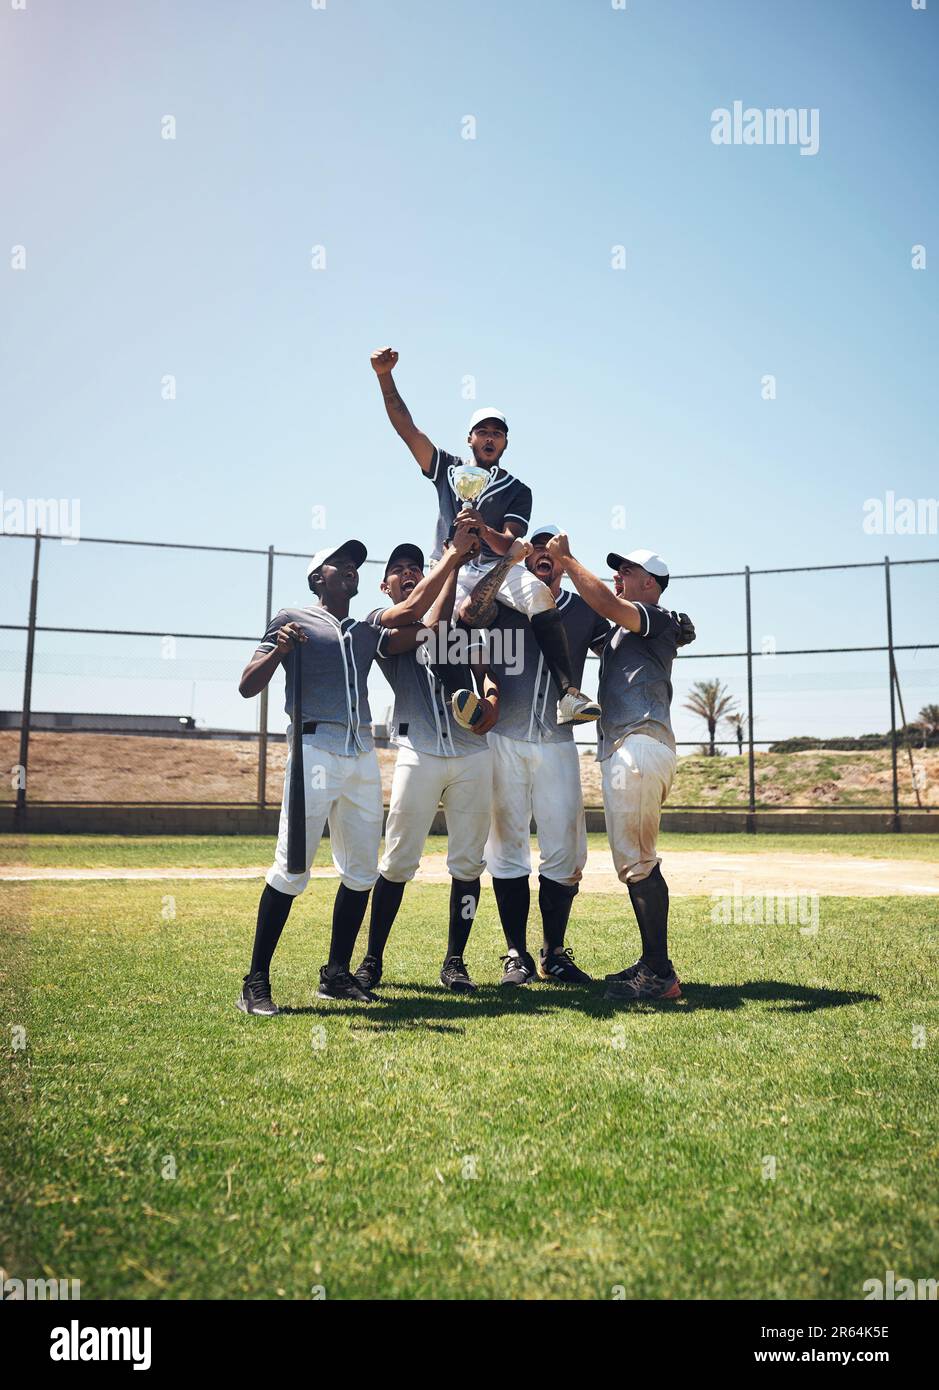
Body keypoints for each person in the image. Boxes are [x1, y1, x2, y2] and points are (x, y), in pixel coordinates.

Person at [236, 525, 478, 1015]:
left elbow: (414, 616)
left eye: (355, 562)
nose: (351, 566)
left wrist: (452, 559)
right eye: (339, 561)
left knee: (362, 871)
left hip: (362, 753)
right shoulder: (292, 618)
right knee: (293, 867)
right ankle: (255, 981)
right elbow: (246, 685)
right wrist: (281, 650)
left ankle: (337, 974)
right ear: (316, 578)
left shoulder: (367, 627)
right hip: (314, 750)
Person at [369, 346, 600, 726]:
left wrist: (481, 526)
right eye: (483, 432)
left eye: (497, 433)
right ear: (470, 438)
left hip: (497, 566)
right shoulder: (448, 468)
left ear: (505, 443)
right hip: (449, 561)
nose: (490, 438)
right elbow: (407, 428)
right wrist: (384, 376)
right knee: (433, 629)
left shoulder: (517, 489)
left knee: (541, 595)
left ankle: (568, 695)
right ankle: (463, 698)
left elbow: (511, 545)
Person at [458, 524, 611, 986]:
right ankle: (515, 953)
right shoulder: (504, 600)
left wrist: (661, 625)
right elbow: (469, 616)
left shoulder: (583, 609)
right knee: (506, 851)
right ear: (525, 558)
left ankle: (554, 952)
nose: (544, 553)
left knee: (565, 854)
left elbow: (620, 642)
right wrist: (506, 561)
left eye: (552, 548)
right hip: (504, 738)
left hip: (559, 741)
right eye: (536, 548)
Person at [546, 536, 694, 1002]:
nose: (618, 576)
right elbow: (589, 613)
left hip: (640, 744)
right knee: (634, 859)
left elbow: (608, 603)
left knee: (638, 863)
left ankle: (659, 974)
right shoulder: (620, 630)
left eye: (626, 571)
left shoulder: (655, 616)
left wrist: (567, 560)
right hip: (626, 747)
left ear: (649, 583)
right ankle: (651, 964)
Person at [353, 541, 498, 993]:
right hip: (419, 752)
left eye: (416, 566)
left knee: (468, 864)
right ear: (385, 584)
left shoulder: (456, 627)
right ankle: (372, 960)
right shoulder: (381, 625)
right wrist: (452, 560)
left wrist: (491, 699)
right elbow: (428, 625)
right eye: (398, 569)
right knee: (397, 862)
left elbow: (486, 668)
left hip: (472, 753)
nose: (408, 572)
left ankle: (455, 962)